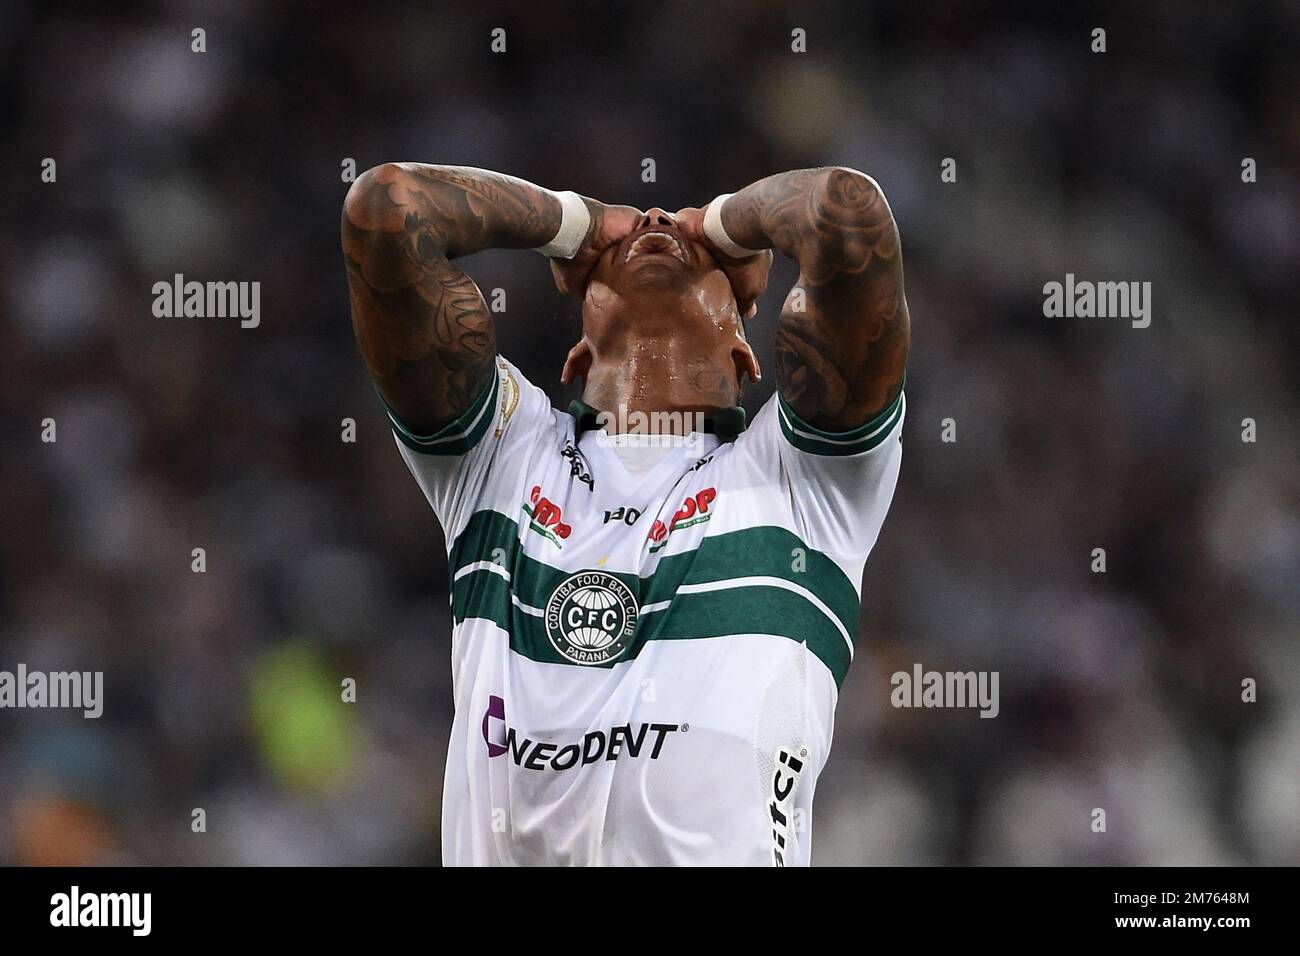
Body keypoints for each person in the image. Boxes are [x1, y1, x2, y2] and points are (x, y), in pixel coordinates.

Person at [341, 162, 910, 865]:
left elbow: (843, 209)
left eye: (698, 257)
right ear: (576, 356)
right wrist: (571, 221)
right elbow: (389, 209)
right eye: (639, 228)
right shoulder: (502, 458)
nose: (657, 221)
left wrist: (722, 220)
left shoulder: (803, 482)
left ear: (745, 356)